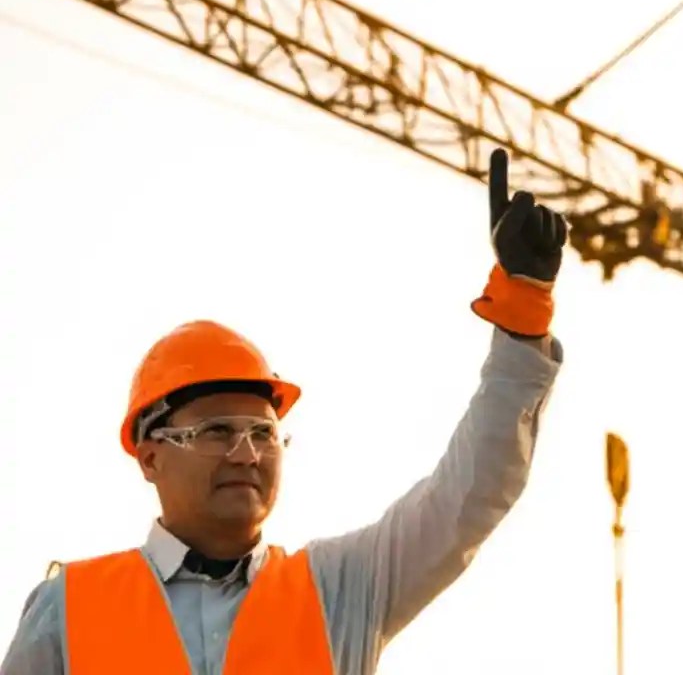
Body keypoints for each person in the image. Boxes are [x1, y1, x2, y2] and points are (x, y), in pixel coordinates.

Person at [0, 148, 570, 674]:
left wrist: (523, 307)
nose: (247, 452)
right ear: (150, 457)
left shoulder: (343, 587)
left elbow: (469, 496)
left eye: (263, 433)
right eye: (216, 431)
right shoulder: (66, 609)